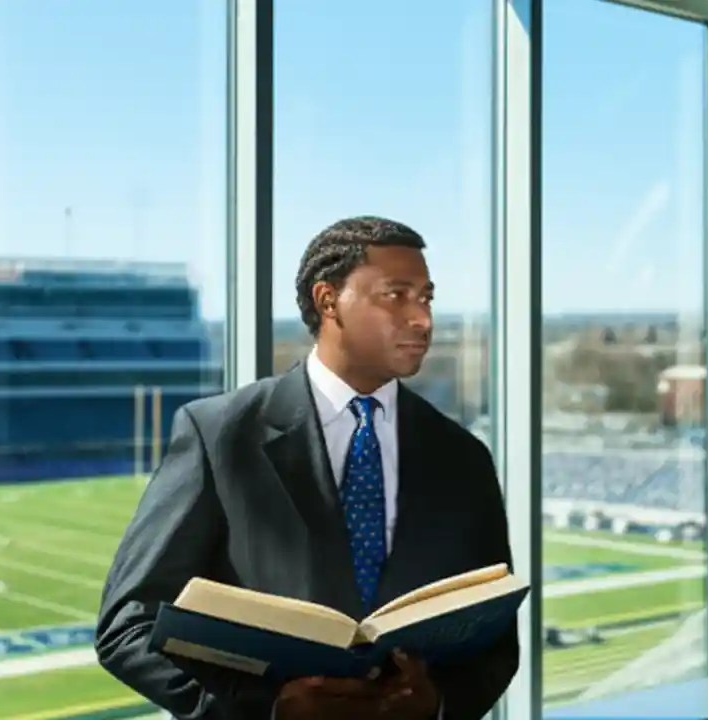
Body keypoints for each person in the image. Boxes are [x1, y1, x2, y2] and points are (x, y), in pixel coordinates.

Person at [95, 216, 518, 719]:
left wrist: (439, 704)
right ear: (327, 300)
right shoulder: (220, 437)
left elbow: (496, 644)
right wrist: (266, 710)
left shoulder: (463, 458)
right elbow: (128, 625)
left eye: (425, 298)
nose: (423, 319)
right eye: (396, 295)